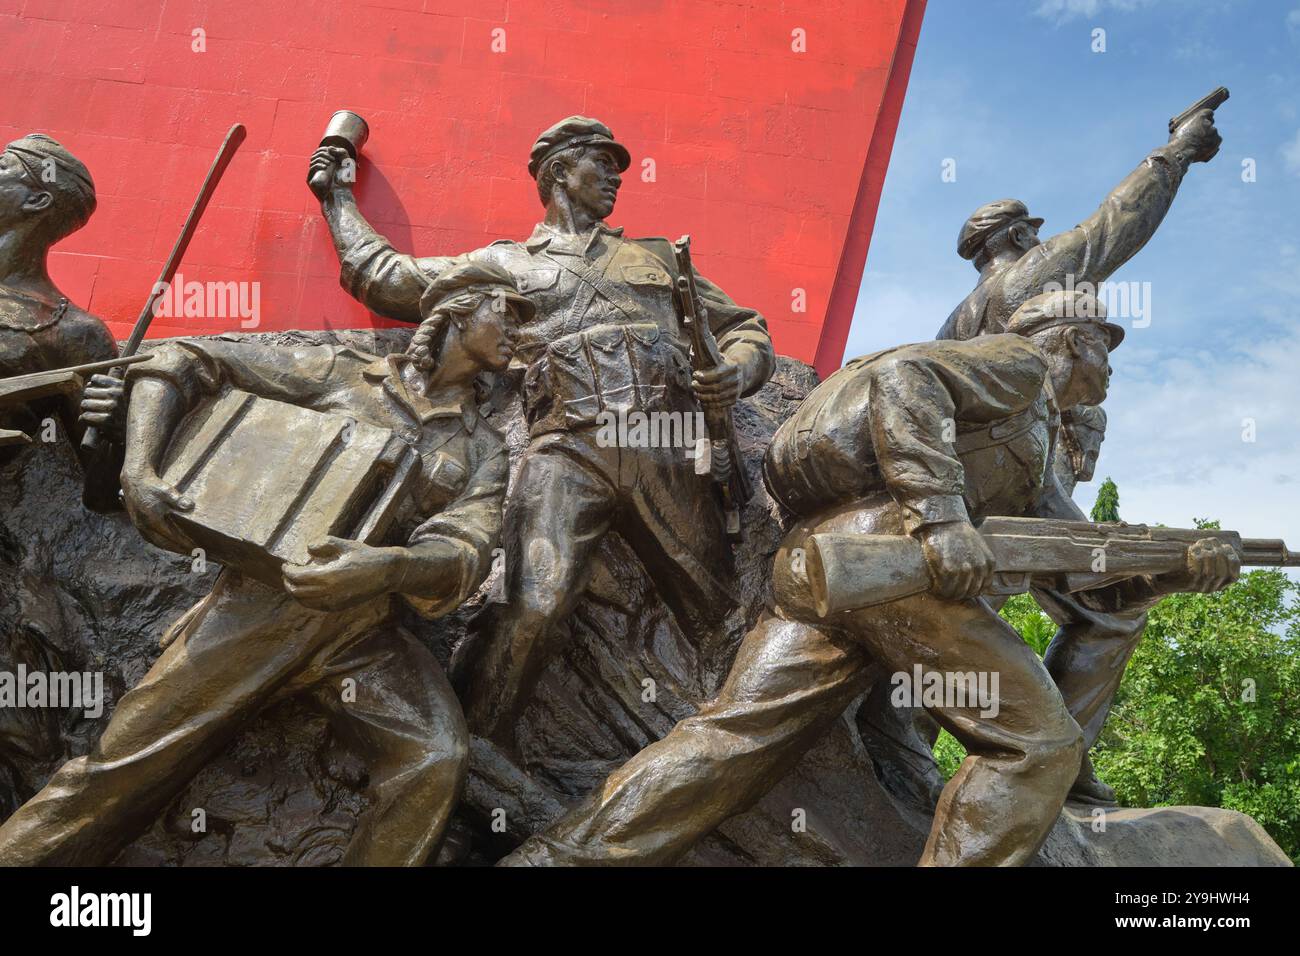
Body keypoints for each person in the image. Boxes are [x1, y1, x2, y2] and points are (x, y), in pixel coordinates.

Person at [501, 290, 1239, 866]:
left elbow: (1082, 565)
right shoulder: (1014, 365)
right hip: (891, 564)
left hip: (827, 570)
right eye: (1105, 351)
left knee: (730, 742)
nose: (1109, 370)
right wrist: (943, 518)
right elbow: (904, 374)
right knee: (1039, 745)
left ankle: (551, 860)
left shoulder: (1034, 439)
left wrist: (1177, 570)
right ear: (1075, 341)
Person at [0, 262, 529, 866]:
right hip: (255, 610)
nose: (518, 333)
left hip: (360, 631)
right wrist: (140, 469)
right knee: (123, 767)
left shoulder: (481, 447)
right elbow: (181, 360)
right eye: (506, 314)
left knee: (433, 758)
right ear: (459, 310)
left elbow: (464, 551)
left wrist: (387, 569)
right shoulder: (343, 374)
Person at [308, 115, 775, 753]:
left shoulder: (661, 258)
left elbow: (746, 327)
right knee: (531, 606)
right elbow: (383, 276)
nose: (616, 176)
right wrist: (337, 198)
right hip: (566, 447)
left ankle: (734, 761)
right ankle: (470, 764)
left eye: (618, 166)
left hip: (665, 442)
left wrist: (736, 372)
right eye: (601, 163)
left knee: (724, 610)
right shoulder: (504, 263)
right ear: (558, 172)